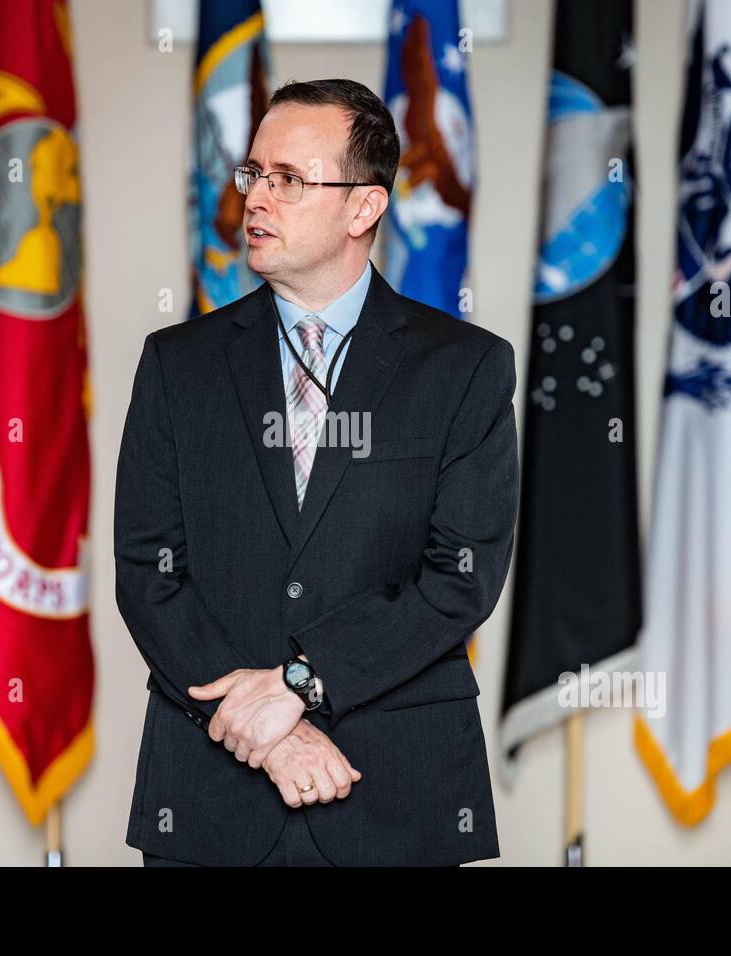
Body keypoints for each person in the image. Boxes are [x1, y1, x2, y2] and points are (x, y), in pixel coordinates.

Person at [115, 78, 518, 866]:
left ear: (363, 208)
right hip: (209, 801)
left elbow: (459, 579)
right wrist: (272, 738)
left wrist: (301, 681)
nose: (255, 199)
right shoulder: (177, 366)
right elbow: (149, 574)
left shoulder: (465, 369)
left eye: (288, 180)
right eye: (253, 174)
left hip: (398, 793)